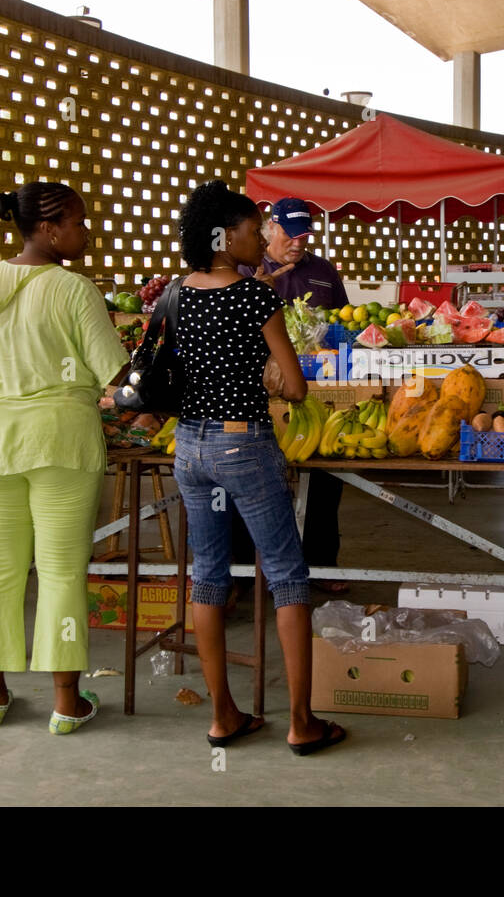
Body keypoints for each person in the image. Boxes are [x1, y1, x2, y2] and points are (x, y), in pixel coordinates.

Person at [173, 179, 347, 754]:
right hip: (242, 444)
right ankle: (302, 721)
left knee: (209, 576)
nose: (259, 237)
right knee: (287, 576)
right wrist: (274, 378)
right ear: (225, 237)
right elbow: (294, 387)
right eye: (253, 229)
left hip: (189, 448)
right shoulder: (254, 298)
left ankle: (224, 715)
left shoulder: (176, 295)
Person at [0, 182, 130, 733]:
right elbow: (117, 374)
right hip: (60, 441)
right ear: (50, 228)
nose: (87, 232)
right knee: (60, 573)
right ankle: (65, 702)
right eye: (79, 222)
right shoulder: (74, 290)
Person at [236, 198, 349, 587]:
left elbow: (341, 324)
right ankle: (243, 570)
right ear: (271, 227)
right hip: (258, 387)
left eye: (305, 235)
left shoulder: (322, 271)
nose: (298, 243)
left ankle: (321, 564)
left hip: (314, 387)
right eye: (291, 233)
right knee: (249, 474)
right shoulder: (245, 268)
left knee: (325, 471)